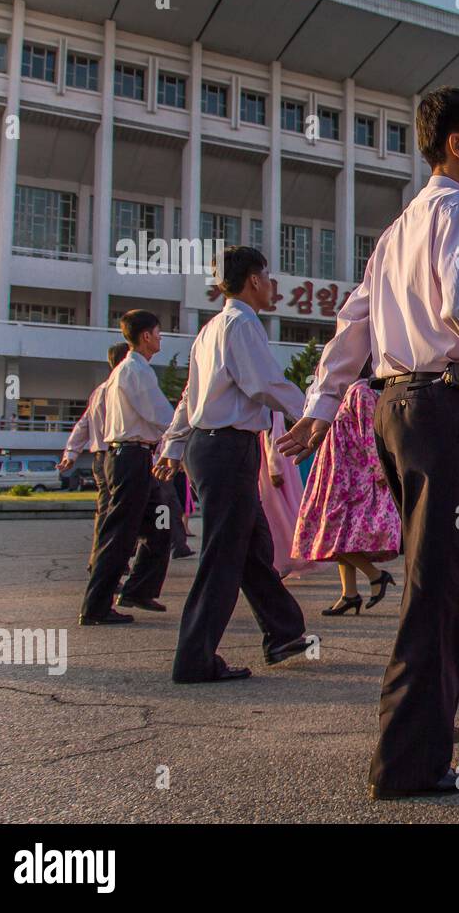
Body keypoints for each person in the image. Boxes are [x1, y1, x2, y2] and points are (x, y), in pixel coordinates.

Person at [277, 87, 459, 799]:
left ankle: (427, 730)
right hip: (438, 409)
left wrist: (323, 401)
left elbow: (354, 323)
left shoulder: (400, 227)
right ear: (457, 147)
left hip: (397, 408)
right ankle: (409, 762)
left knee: (441, 583)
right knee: (444, 590)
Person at [156, 246, 312, 683]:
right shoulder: (242, 324)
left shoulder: (211, 329)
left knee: (251, 548)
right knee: (224, 555)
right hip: (226, 449)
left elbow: (189, 397)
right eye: (269, 276)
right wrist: (314, 414)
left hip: (213, 448)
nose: (273, 285)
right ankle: (194, 659)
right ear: (255, 280)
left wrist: (172, 447)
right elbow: (265, 384)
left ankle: (284, 632)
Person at [77, 312, 174, 624]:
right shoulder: (135, 370)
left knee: (161, 525)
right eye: (158, 332)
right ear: (146, 336)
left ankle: (139, 589)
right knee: (119, 535)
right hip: (129, 458)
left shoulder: (133, 369)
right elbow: (159, 414)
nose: (161, 338)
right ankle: (95, 608)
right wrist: (186, 431)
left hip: (137, 458)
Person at [292, 375, 400, 615]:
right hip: (336, 473)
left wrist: (378, 467)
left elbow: (371, 432)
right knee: (341, 532)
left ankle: (376, 576)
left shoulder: (360, 392)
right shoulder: (337, 395)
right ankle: (349, 593)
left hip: (354, 475)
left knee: (333, 531)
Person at [59, 342, 130, 573]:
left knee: (110, 512)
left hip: (102, 457)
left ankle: (107, 561)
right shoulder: (116, 388)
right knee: (112, 514)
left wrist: (71, 452)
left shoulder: (100, 390)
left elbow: (84, 424)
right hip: (115, 455)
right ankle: (103, 565)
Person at [259, 411, 313, 579]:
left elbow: (274, 437)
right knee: (279, 509)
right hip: (270, 460)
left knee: (275, 511)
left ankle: (281, 559)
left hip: (271, 462)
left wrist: (275, 468)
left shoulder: (272, 408)